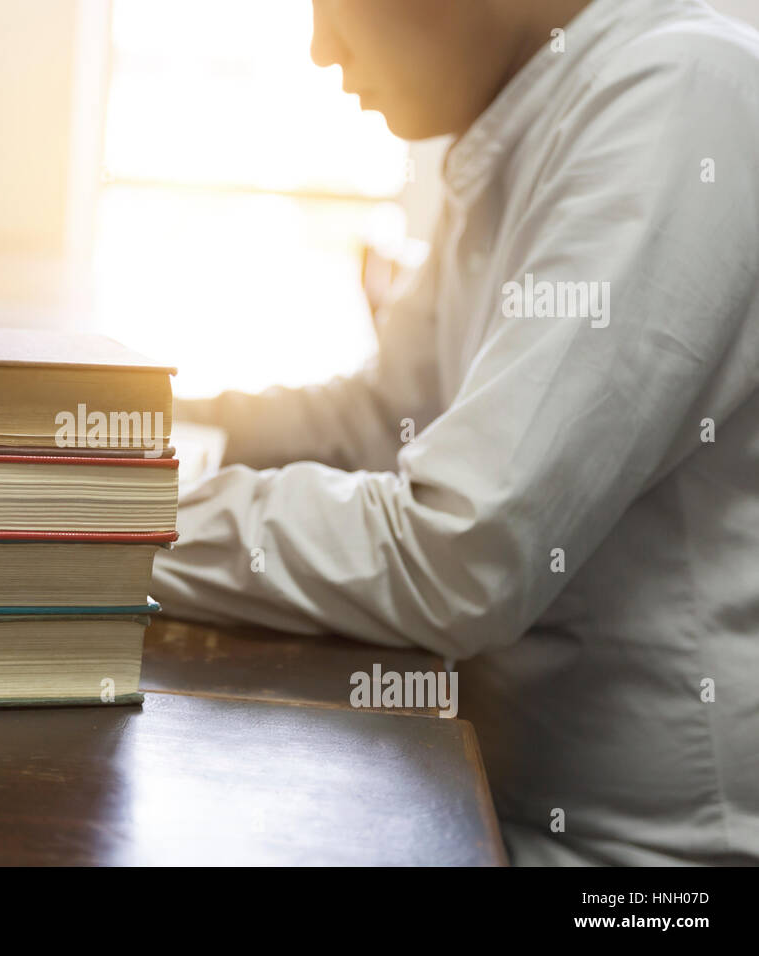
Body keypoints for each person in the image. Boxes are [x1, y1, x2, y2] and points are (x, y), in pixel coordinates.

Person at [152, 0, 759, 866]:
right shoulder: (517, 120)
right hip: (489, 797)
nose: (321, 47)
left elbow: (464, 549)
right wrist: (168, 425)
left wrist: (122, 528)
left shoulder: (679, 93)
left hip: (649, 873)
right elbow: (379, 417)